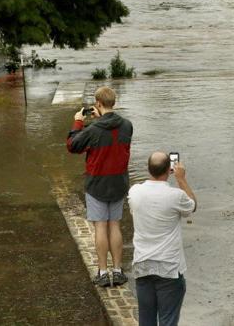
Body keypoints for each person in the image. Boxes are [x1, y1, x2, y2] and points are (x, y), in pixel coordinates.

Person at [66, 86, 133, 287]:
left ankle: (103, 272)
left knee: (100, 227)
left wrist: (79, 122)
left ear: (98, 103)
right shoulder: (127, 125)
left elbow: (73, 145)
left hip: (97, 184)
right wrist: (99, 119)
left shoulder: (93, 130)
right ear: (114, 102)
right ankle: (118, 271)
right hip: (118, 183)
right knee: (115, 225)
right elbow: (110, 134)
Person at [129, 151, 197, 326]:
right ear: (170, 170)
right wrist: (181, 179)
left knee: (146, 320)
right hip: (169, 267)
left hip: (142, 264)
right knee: (168, 320)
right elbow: (192, 206)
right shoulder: (176, 196)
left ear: (148, 169)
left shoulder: (135, 191)